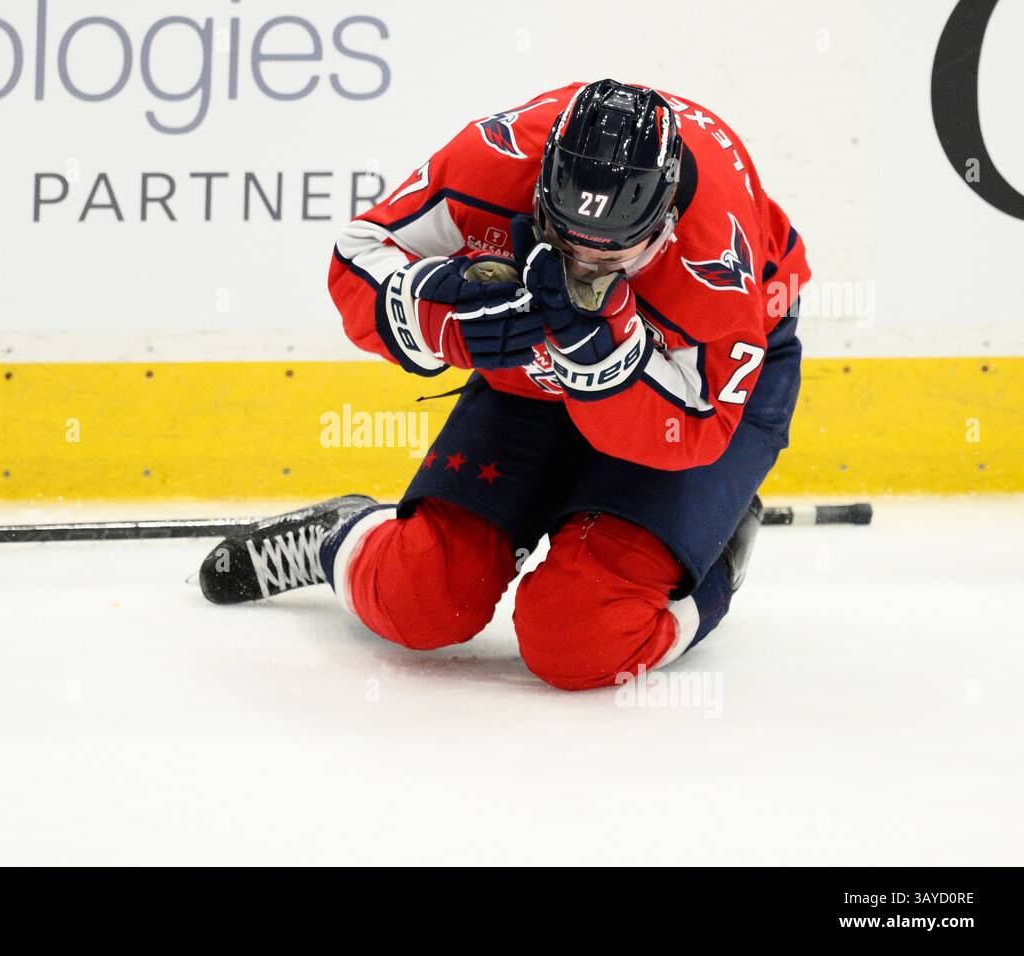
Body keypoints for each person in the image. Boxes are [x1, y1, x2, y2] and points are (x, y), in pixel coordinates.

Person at [201, 79, 810, 692]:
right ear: (539, 189)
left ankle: (718, 549)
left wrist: (605, 366)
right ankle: (335, 535)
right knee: (423, 597)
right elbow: (358, 253)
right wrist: (436, 309)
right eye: (564, 241)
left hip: (691, 397)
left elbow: (692, 432)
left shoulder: (717, 265)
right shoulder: (494, 158)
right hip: (533, 378)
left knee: (580, 642)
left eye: (612, 260)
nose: (582, 273)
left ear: (665, 222)